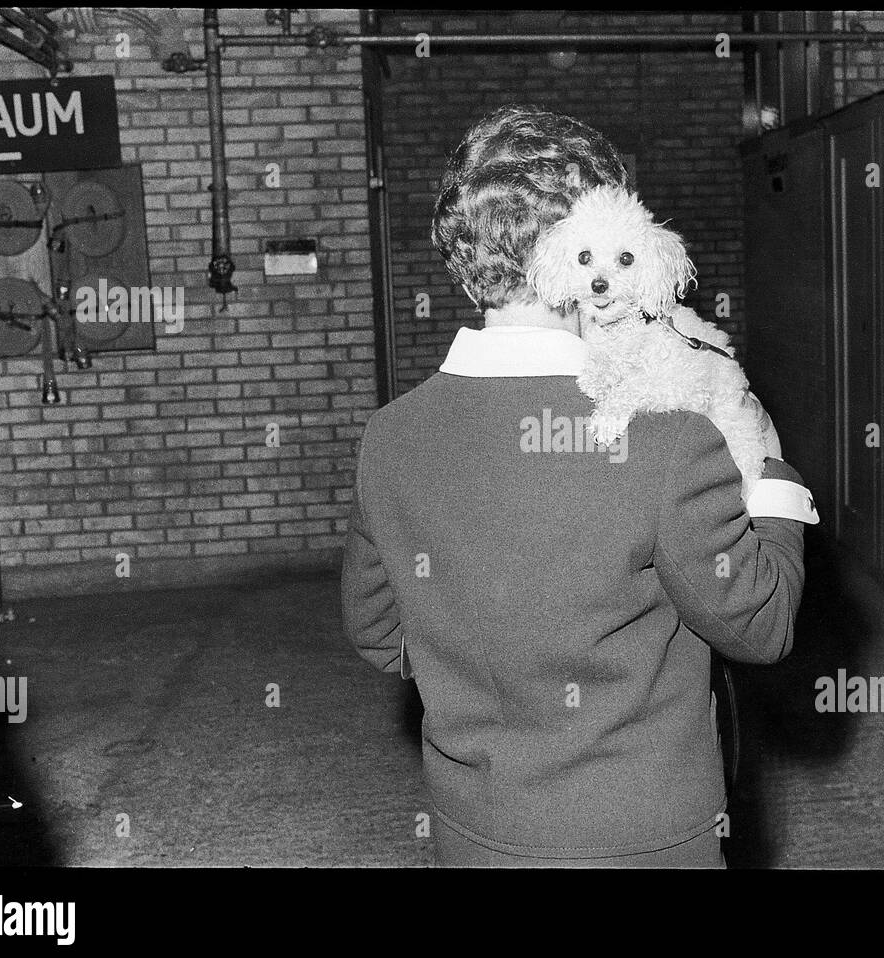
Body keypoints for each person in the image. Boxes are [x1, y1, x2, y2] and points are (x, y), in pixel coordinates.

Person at [341, 104, 815, 867]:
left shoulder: (390, 436)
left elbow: (379, 633)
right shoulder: (669, 437)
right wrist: (773, 470)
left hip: (475, 833)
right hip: (643, 837)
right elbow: (760, 623)